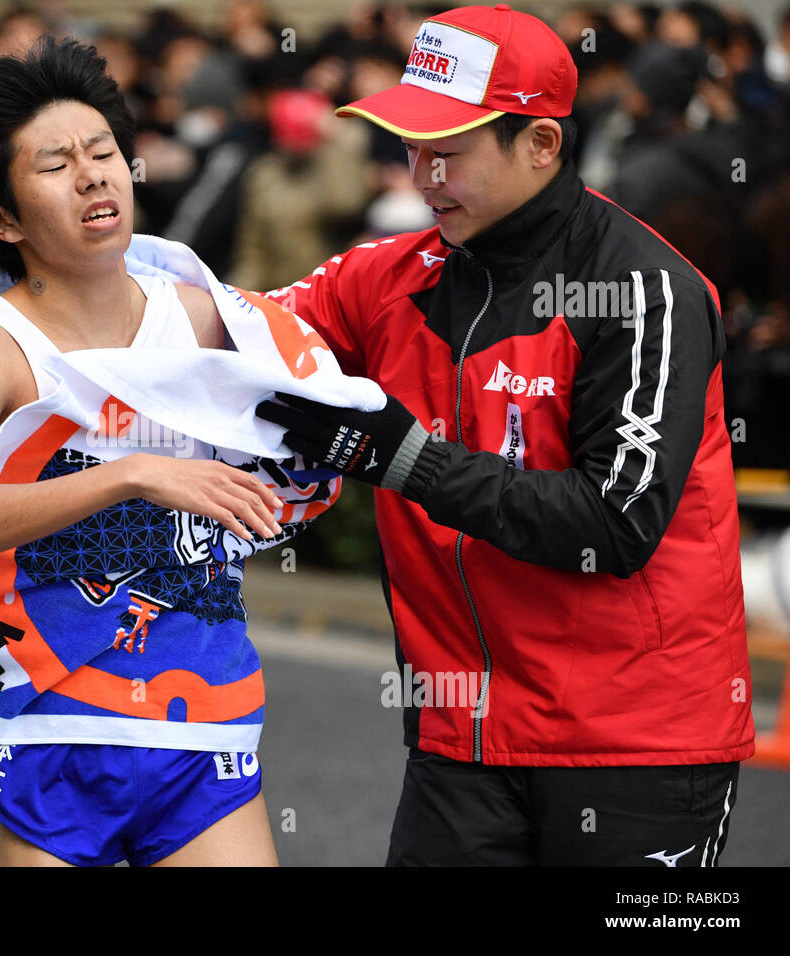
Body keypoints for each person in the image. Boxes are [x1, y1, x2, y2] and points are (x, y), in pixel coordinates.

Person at [254, 3, 753, 865]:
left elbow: (613, 525)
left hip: (637, 743)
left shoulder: (646, 287)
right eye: (409, 146)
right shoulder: (388, 274)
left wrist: (399, 458)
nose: (421, 175)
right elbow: (226, 329)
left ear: (542, 145)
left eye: (447, 151)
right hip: (461, 737)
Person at [0, 37, 358, 867]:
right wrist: (133, 475)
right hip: (50, 720)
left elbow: (308, 432)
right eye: (54, 165)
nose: (92, 176)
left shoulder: (207, 317)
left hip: (204, 711)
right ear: (1, 217)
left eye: (104, 151)